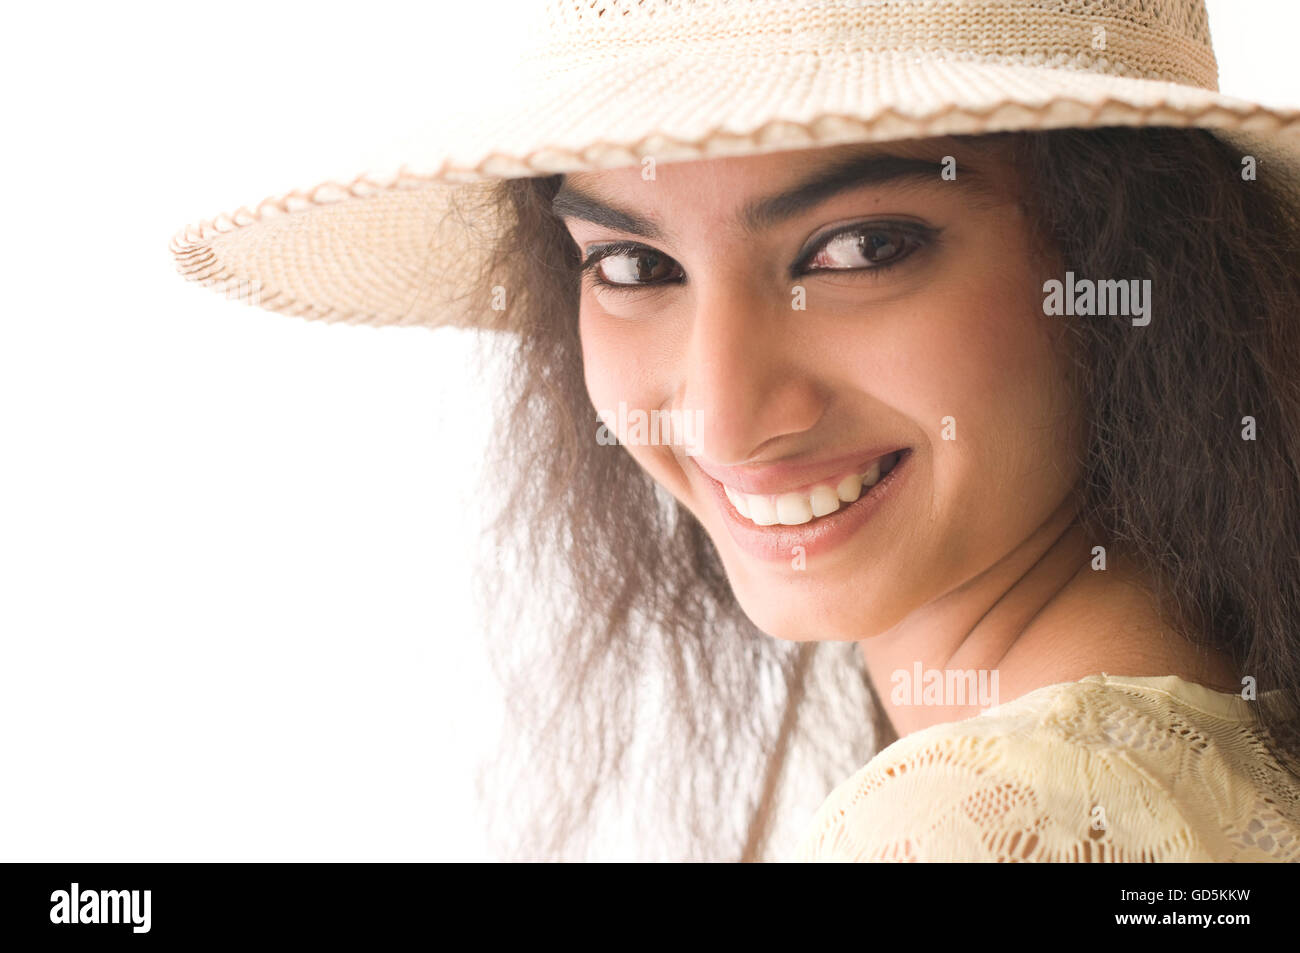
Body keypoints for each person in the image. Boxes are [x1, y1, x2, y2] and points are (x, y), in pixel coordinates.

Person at [170, 0, 1300, 861]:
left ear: (1127, 264)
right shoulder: (1215, 761)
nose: (723, 410)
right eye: (633, 265)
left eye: (858, 248)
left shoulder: (980, 824)